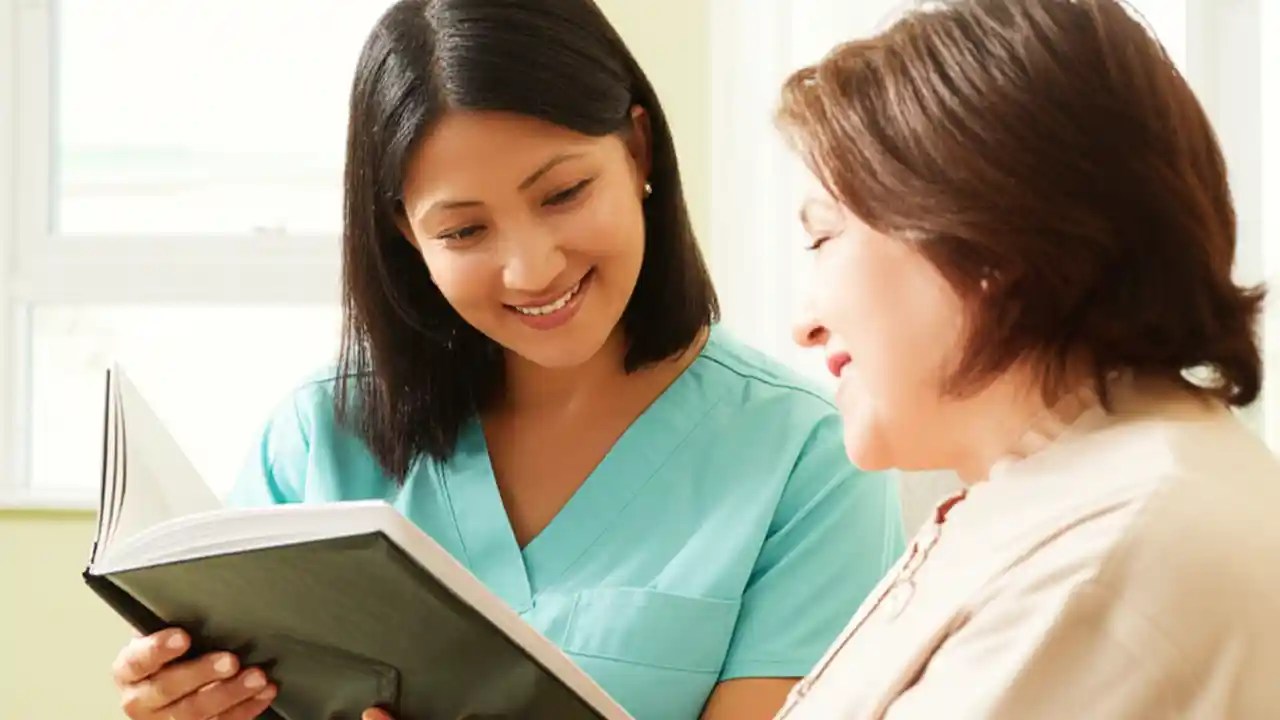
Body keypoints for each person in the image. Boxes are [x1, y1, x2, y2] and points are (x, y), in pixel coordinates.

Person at [107, 1, 905, 719]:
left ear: (636, 150)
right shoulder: (318, 439)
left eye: (562, 194)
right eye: (463, 232)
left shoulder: (809, 462)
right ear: (405, 234)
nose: (531, 270)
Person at [769, 0, 1280, 717]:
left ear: (983, 242)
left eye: (825, 237)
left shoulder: (1106, 555)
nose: (805, 324)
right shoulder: (1065, 493)